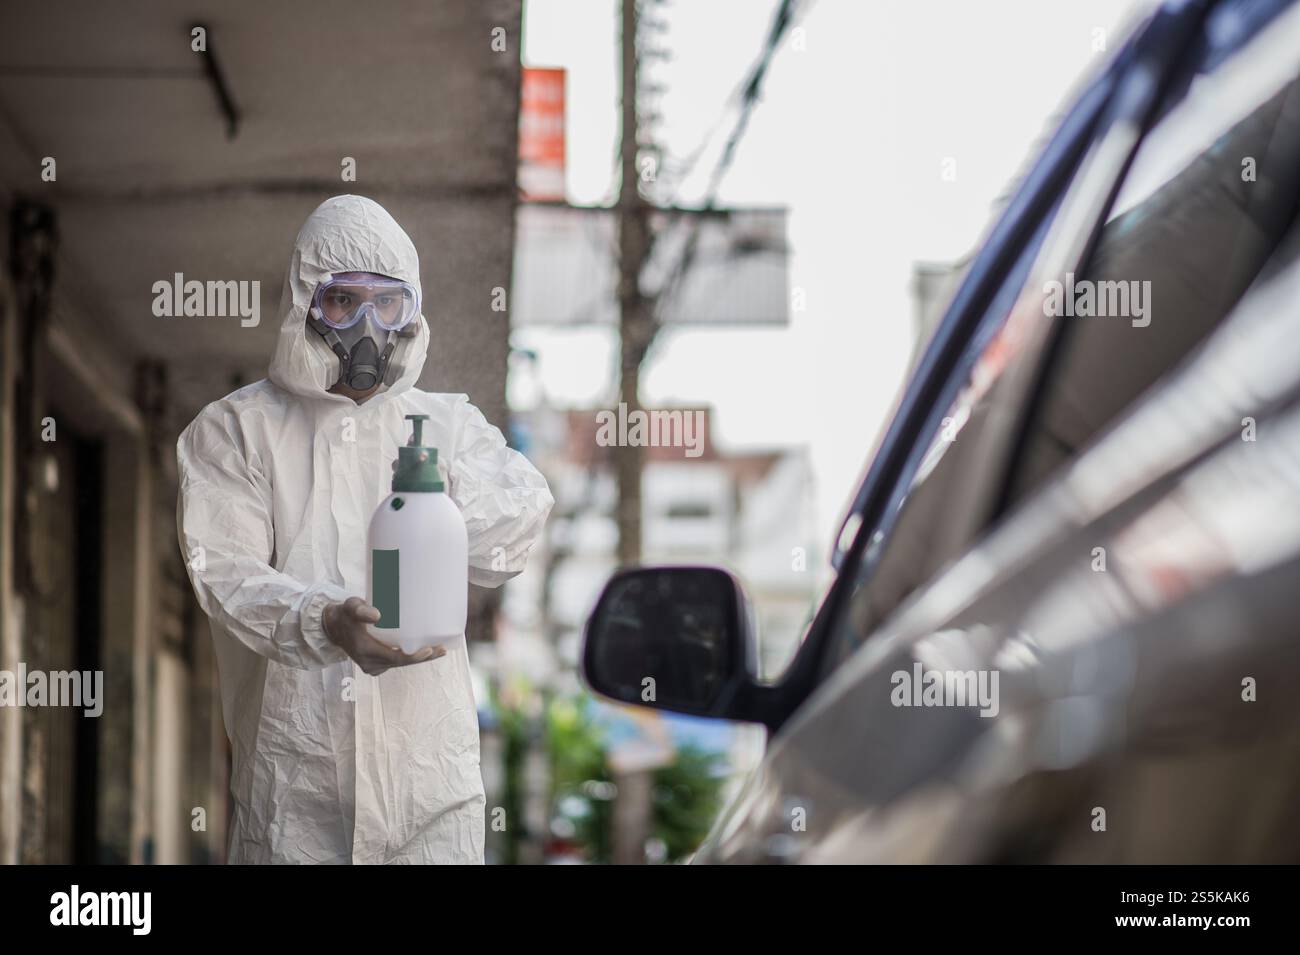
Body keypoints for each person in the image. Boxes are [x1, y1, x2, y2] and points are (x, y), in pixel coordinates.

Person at [176, 195, 553, 864]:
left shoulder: (447, 425)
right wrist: (327, 621)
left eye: (389, 305)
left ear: (413, 313)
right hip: (293, 795)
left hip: (431, 797)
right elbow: (224, 573)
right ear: (305, 305)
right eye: (343, 303)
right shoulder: (236, 431)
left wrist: (445, 502)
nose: (367, 327)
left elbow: (518, 527)